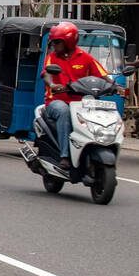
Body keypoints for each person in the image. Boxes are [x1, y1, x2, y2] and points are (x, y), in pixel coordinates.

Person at [42, 22, 108, 170]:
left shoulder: (85, 57)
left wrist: (116, 86)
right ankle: (65, 156)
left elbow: (102, 75)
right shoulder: (52, 58)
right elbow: (46, 74)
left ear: (69, 41)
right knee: (64, 111)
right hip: (56, 102)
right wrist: (52, 85)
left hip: (80, 104)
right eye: (54, 42)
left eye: (58, 42)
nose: (55, 45)